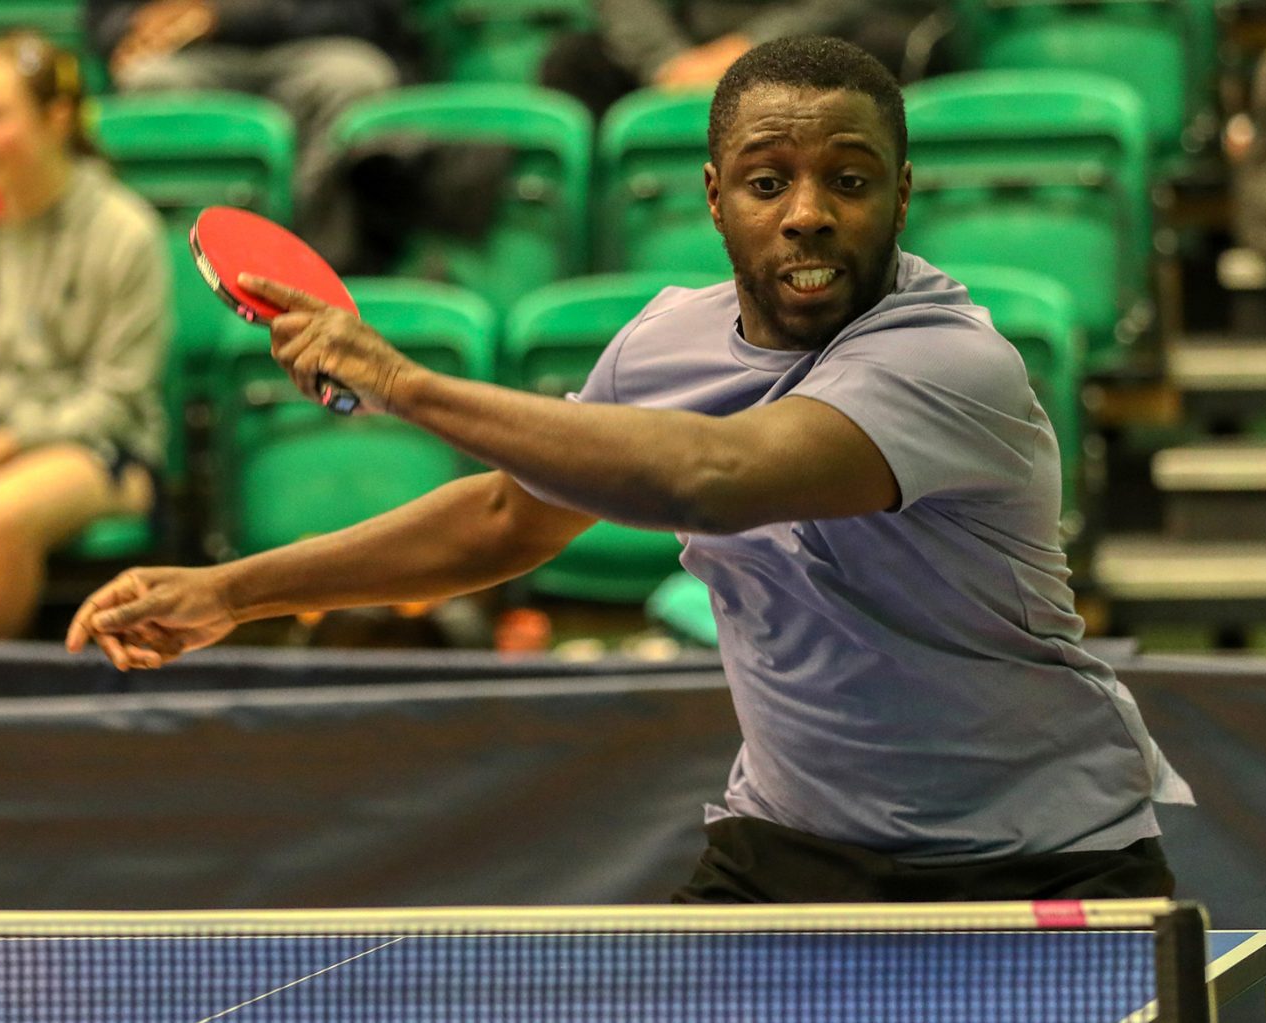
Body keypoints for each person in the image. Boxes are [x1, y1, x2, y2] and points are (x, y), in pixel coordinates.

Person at [69, 36, 1192, 903]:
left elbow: (716, 475)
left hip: (1038, 858)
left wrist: (404, 383)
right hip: (795, 847)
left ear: (900, 197)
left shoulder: (952, 362)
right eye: (768, 181)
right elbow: (510, 518)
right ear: (713, 198)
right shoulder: (663, 346)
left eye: (848, 181)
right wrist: (230, 591)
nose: (807, 213)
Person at [0, 30, 169, 640]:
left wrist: (9, 442)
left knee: (5, 508)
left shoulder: (124, 231)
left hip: (105, 449)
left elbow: (116, 398)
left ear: (57, 119)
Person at [84, 0, 405, 256]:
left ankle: (319, 269)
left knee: (355, 77)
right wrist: (139, 28)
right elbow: (104, 21)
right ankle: (190, 265)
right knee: (147, 80)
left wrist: (223, 16)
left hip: (313, 48)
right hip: (192, 59)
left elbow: (371, 15)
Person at [541, 0, 950, 119]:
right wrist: (666, 61)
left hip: (819, 35)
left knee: (884, 48)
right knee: (573, 62)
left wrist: (746, 48)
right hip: (684, 49)